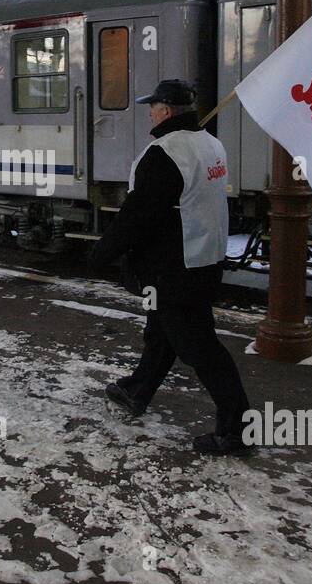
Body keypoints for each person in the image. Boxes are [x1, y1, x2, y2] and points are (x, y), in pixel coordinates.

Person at [88, 79, 253, 456]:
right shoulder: (211, 144)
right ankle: (137, 390)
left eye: (153, 106)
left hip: (173, 268)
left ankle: (238, 428)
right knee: (161, 332)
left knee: (200, 347)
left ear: (166, 110)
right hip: (203, 257)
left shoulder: (165, 152)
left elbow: (138, 215)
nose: (150, 112)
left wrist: (101, 254)